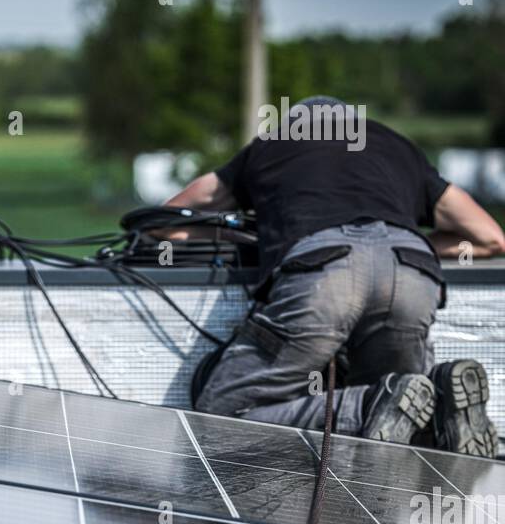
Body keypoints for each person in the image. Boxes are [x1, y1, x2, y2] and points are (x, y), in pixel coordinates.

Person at [161, 97, 505, 456]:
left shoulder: (271, 146)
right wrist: (413, 245)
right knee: (402, 411)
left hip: (324, 274)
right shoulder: (397, 146)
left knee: (221, 417)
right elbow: (490, 237)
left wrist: (251, 238)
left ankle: (363, 407)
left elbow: (165, 220)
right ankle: (447, 410)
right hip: (410, 270)